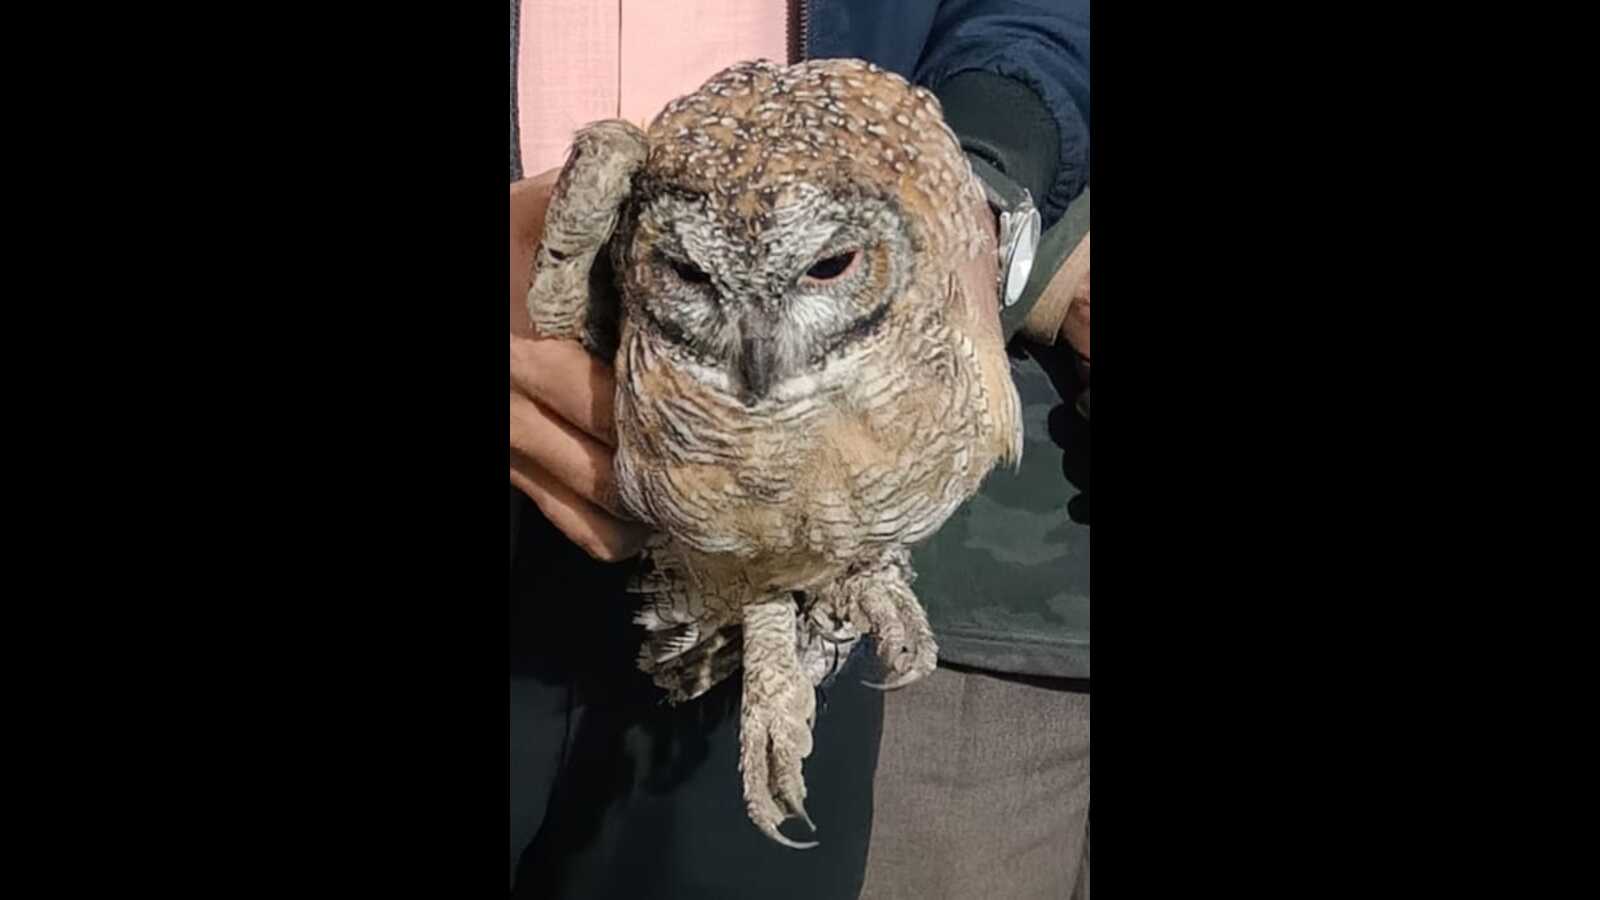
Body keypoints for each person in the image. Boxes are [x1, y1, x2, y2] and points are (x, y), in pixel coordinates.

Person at [509, 2, 1089, 897]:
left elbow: (1026, 16)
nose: (760, 343)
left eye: (823, 271)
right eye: (695, 277)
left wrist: (972, 185)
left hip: (792, 568)